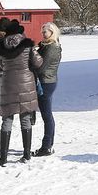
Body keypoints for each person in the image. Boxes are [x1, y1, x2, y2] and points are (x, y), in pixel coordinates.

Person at [0, 20, 43, 165]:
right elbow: (38, 62)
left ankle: (3, 158)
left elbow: (1, 64)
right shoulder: (28, 45)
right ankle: (26, 155)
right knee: (25, 118)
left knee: (7, 120)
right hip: (26, 84)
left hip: (8, 83)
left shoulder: (2, 45)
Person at [34, 22, 62, 157]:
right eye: (42, 32)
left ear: (52, 32)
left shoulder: (51, 48)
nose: (43, 34)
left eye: (45, 32)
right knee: (47, 115)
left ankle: (46, 146)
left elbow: (41, 67)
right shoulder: (46, 46)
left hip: (46, 82)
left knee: (47, 115)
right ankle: (48, 145)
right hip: (48, 81)